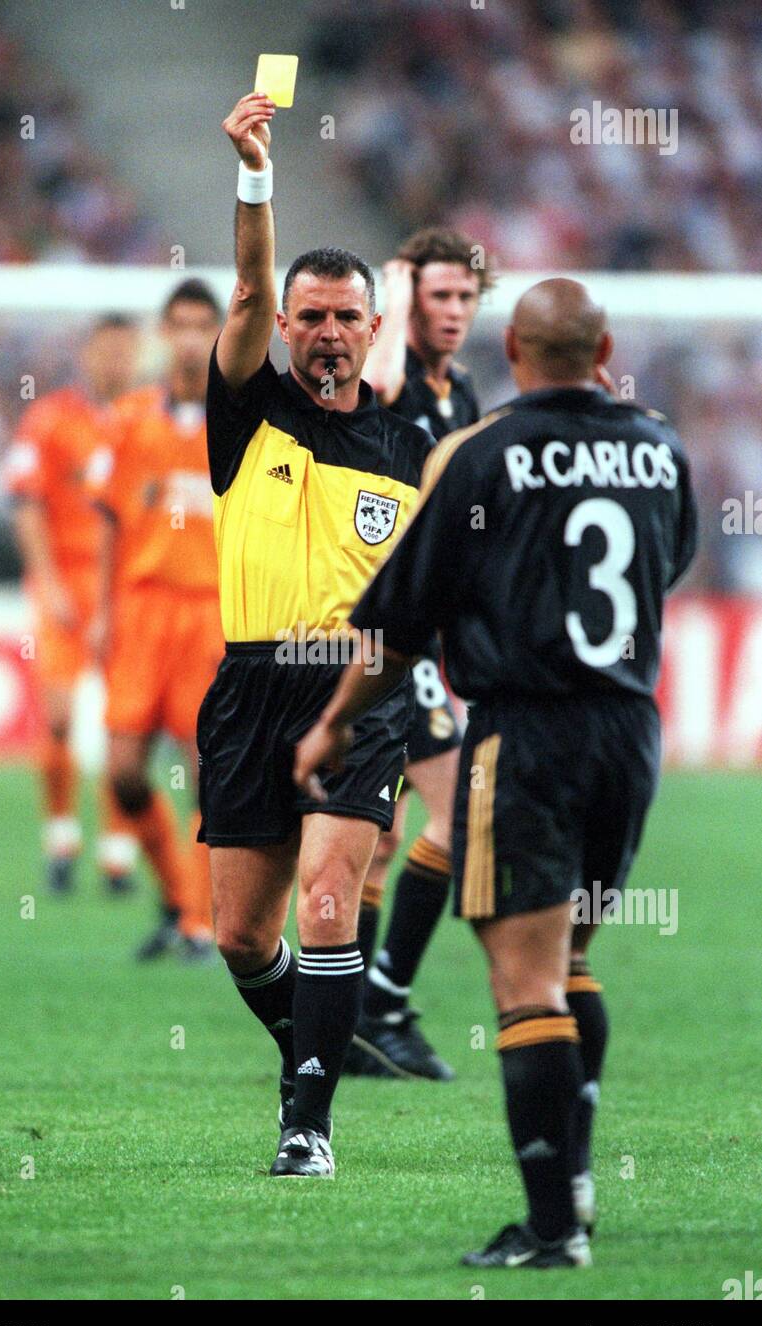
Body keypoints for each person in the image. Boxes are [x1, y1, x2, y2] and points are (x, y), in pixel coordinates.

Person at [294, 278, 697, 1263]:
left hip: (526, 732)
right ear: (602, 350)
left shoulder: (481, 454)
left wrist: (334, 722)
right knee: (570, 961)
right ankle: (580, 1180)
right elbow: (671, 561)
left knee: (524, 985)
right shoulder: (661, 446)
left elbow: (395, 623)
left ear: (512, 347)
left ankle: (551, 1228)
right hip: (628, 731)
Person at [199, 91, 433, 1176]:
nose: (330, 331)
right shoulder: (247, 406)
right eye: (313, 315)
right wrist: (256, 176)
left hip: (351, 694)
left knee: (331, 901)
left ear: (372, 330)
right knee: (243, 936)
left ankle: (308, 1126)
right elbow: (244, 283)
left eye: (348, 316)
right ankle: (322, 1050)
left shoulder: (404, 448)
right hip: (249, 687)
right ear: (285, 326)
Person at [349, 227, 491, 1081]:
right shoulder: (389, 376)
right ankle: (382, 1001)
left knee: (384, 832)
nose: (452, 311)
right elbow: (380, 382)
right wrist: (393, 289)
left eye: (465, 297)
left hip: (430, 628)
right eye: (437, 295)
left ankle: (353, 1016)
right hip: (389, 628)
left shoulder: (463, 390)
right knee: (462, 813)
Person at [89, 281, 223, 963]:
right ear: (163, 334)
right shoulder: (127, 419)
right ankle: (175, 897)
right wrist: (102, 614)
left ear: (222, 332)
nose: (192, 337)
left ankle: (200, 921)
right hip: (141, 611)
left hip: (211, 610)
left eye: (204, 324)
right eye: (181, 325)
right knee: (123, 772)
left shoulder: (243, 418)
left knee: (206, 771)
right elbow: (110, 519)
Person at [6, 315, 140, 893]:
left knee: (122, 724)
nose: (114, 362)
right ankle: (61, 836)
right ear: (87, 354)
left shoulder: (145, 419)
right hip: (65, 584)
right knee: (59, 718)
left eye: (124, 352)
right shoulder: (50, 418)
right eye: (105, 351)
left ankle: (117, 852)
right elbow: (26, 502)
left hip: (125, 588)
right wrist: (47, 579)